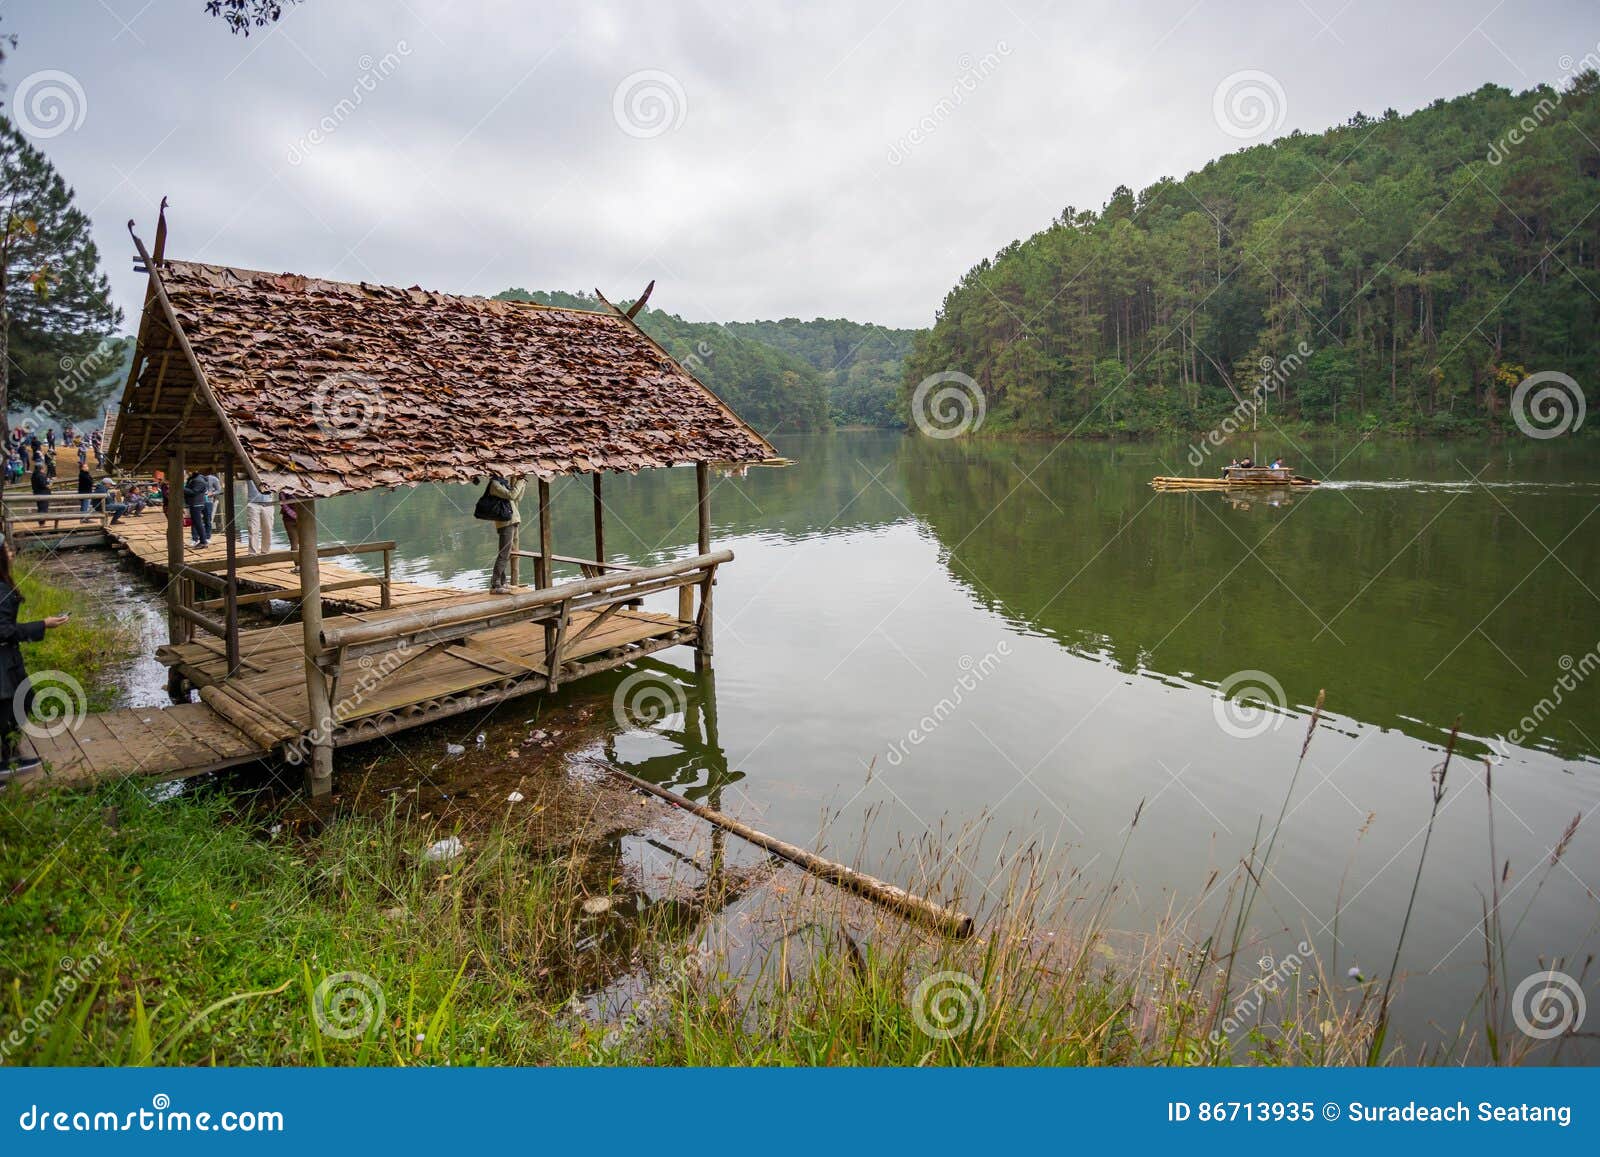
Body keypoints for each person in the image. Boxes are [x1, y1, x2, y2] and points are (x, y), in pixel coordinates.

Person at [0, 534, 70, 778]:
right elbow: (3, 630)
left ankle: (10, 755)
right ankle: (7, 761)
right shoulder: (1, 588)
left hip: (8, 658)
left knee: (21, 701)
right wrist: (43, 624)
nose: (11, 553)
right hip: (3, 661)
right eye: (7, 549)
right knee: (11, 707)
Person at [486, 474, 526, 593]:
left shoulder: (503, 483)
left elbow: (517, 498)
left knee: (507, 553)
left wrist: (523, 484)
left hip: (512, 521)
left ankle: (502, 582)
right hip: (506, 523)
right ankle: (495, 585)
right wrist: (520, 482)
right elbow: (512, 495)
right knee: (504, 553)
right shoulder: (495, 484)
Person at [245, 479, 277, 554]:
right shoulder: (250, 472)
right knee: (253, 529)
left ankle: (266, 551)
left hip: (268, 504)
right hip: (253, 503)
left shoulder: (269, 474)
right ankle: (253, 553)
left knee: (268, 529)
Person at [184, 470, 211, 547]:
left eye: (189, 471)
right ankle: (202, 540)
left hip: (197, 504)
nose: (188, 472)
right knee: (196, 523)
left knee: (198, 523)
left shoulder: (198, 480)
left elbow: (194, 492)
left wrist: (181, 488)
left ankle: (203, 541)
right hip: (194, 503)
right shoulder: (193, 479)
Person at [279, 489, 301, 571]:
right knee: (302, 542)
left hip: (290, 519)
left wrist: (294, 516)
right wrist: (296, 516)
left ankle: (298, 566)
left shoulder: (282, 491)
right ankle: (303, 565)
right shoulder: (302, 488)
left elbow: (284, 506)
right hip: (301, 518)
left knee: (294, 542)